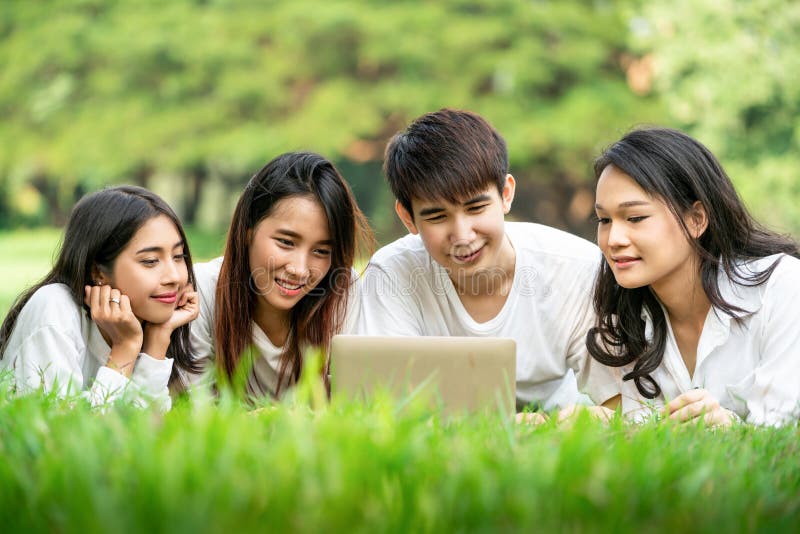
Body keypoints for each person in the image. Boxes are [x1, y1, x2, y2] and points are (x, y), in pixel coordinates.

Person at [356, 109, 604, 412]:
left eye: (476, 208)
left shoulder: (576, 267)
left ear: (506, 194)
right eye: (437, 216)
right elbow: (386, 404)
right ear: (408, 218)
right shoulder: (392, 273)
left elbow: (625, 401)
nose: (462, 235)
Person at [586, 127, 800, 426]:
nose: (613, 239)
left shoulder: (781, 288)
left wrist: (729, 428)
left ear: (696, 219)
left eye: (635, 218)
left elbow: (784, 436)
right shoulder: (622, 323)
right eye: (604, 220)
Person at [188, 152, 373, 399]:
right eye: (286, 242)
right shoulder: (203, 290)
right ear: (247, 231)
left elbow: (350, 403)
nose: (299, 269)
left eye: (321, 251)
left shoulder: (342, 292)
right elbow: (192, 408)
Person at [0, 186, 200, 409]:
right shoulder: (54, 309)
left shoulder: (148, 324)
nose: (174, 276)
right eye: (150, 261)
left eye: (178, 256)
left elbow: (145, 432)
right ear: (98, 272)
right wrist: (124, 348)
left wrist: (158, 340)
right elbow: (61, 436)